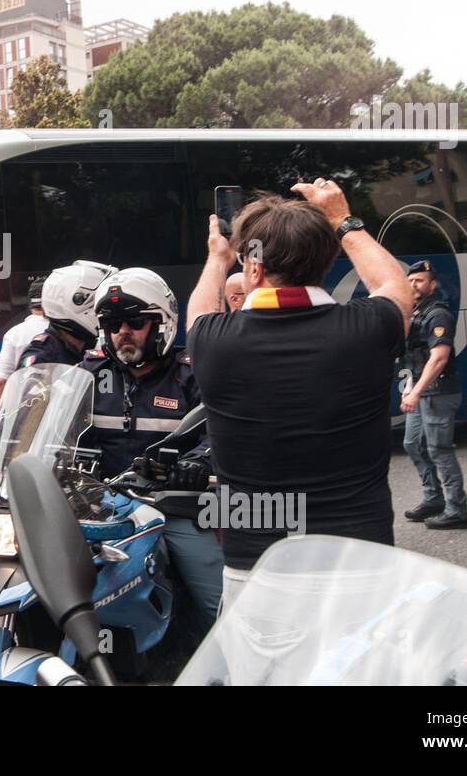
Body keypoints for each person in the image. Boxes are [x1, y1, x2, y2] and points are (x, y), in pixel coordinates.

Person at [185, 180, 412, 611]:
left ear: (253, 268)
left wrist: (218, 257)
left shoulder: (212, 341)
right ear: (325, 262)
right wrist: (342, 220)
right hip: (360, 560)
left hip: (256, 564)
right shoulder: (367, 328)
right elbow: (394, 286)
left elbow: (199, 308)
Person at [78, 267, 224, 630]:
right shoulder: (89, 374)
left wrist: (198, 460)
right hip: (98, 506)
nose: (122, 332)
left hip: (171, 506)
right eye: (113, 324)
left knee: (219, 607)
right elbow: (41, 413)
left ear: (161, 324)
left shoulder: (190, 374)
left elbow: (221, 429)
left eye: (134, 322)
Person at [399, 259, 467, 529]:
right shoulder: (416, 313)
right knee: (412, 444)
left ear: (433, 284)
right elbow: (412, 357)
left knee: (440, 450)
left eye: (419, 280)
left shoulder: (438, 314)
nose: (413, 285)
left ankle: (457, 509)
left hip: (439, 392)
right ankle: (434, 499)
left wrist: (415, 392)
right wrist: (408, 387)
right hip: (421, 390)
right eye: (410, 281)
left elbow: (439, 359)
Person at [17, 260, 116, 368]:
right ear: (77, 303)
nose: (102, 312)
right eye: (95, 304)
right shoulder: (42, 357)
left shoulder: (95, 346)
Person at [0, 278, 48, 401]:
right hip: (62, 412)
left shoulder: (14, 334)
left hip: (25, 413)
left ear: (30, 304)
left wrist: (5, 417)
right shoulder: (66, 331)